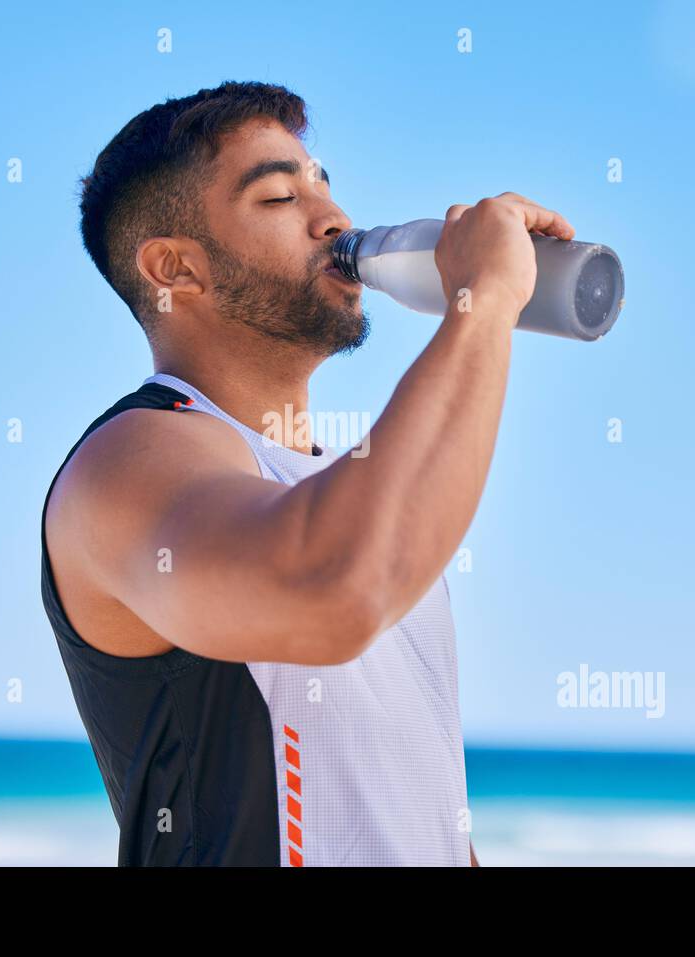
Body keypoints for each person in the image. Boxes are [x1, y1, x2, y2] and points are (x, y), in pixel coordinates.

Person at [40, 80, 574, 866]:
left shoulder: (354, 500)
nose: (334, 219)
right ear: (177, 269)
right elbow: (334, 586)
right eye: (280, 195)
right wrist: (484, 302)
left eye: (324, 183)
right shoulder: (129, 461)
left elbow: (420, 814)